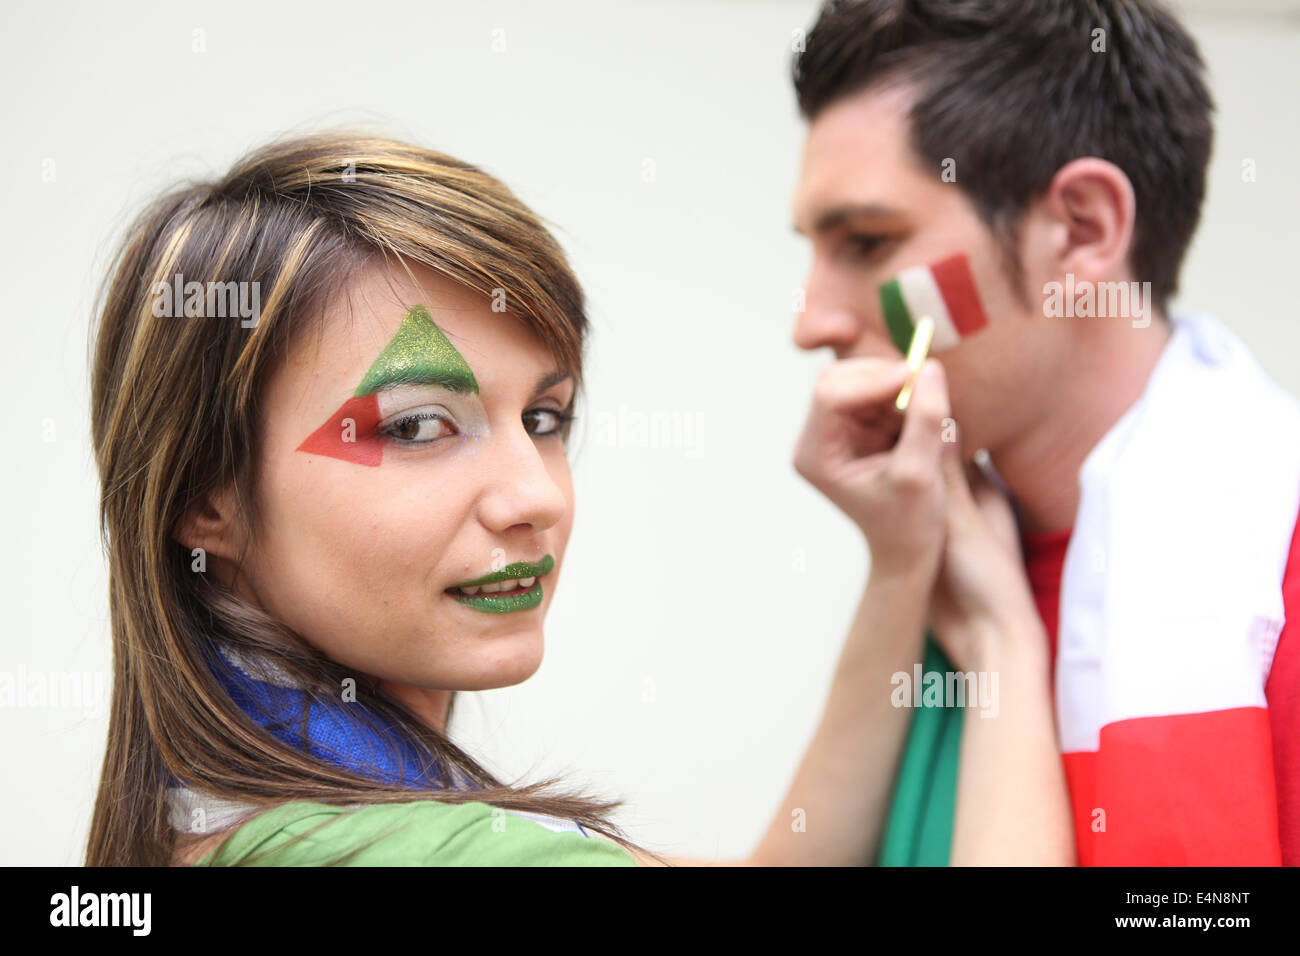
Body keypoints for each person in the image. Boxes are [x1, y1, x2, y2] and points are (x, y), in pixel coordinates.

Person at [84, 130, 1069, 867]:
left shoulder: (230, 814)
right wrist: (1009, 646)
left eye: (546, 418)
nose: (532, 496)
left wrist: (901, 568)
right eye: (418, 426)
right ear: (203, 498)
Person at [788, 0, 1300, 865]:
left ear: (1084, 229)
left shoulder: (1272, 570)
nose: (811, 322)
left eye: (868, 241)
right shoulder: (940, 558)